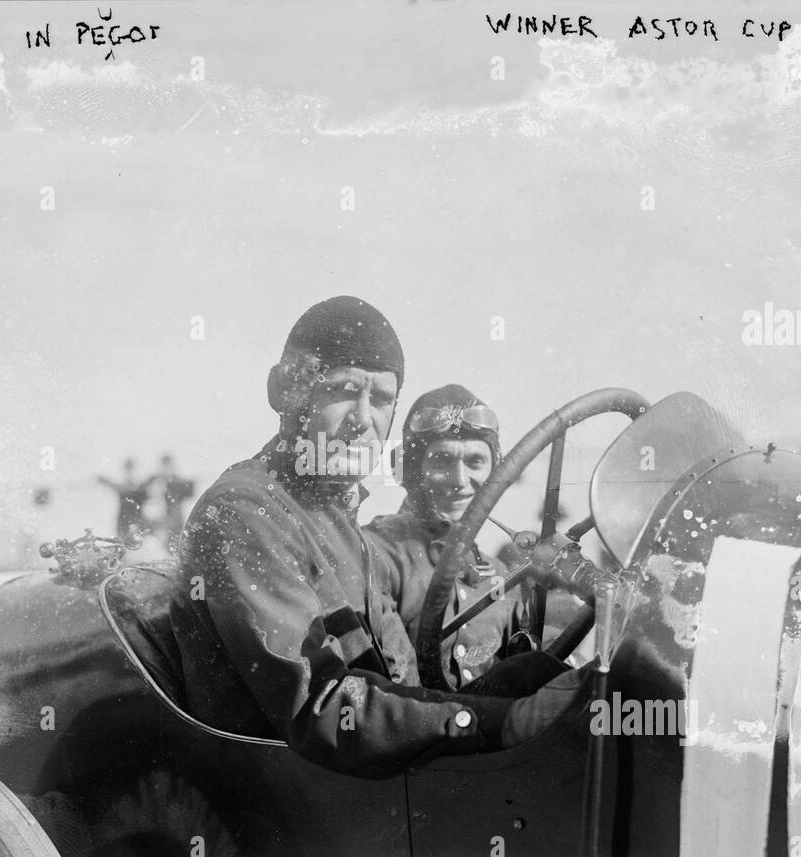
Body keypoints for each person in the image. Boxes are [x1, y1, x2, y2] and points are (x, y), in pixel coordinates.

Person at [169, 296, 590, 778]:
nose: (363, 418)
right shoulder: (247, 512)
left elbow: (401, 678)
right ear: (287, 391)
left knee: (539, 678)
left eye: (383, 399)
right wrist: (497, 720)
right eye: (344, 389)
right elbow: (322, 706)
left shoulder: (335, 517)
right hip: (301, 796)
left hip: (361, 776)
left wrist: (524, 690)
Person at [365, 385, 533, 692]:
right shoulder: (376, 552)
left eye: (475, 462)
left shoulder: (501, 576)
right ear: (413, 470)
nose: (459, 480)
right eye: (441, 460)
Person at [98, 458, 151, 543]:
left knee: (135, 545)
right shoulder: (126, 487)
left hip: (136, 521)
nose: (129, 471)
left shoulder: (140, 488)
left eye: (130, 468)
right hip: (124, 521)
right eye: (128, 468)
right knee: (124, 544)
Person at [152, 454, 195, 543]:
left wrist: (190, 483)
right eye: (165, 465)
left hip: (175, 520)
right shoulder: (156, 480)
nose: (167, 468)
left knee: (176, 542)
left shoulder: (178, 482)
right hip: (161, 520)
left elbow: (190, 493)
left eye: (169, 465)